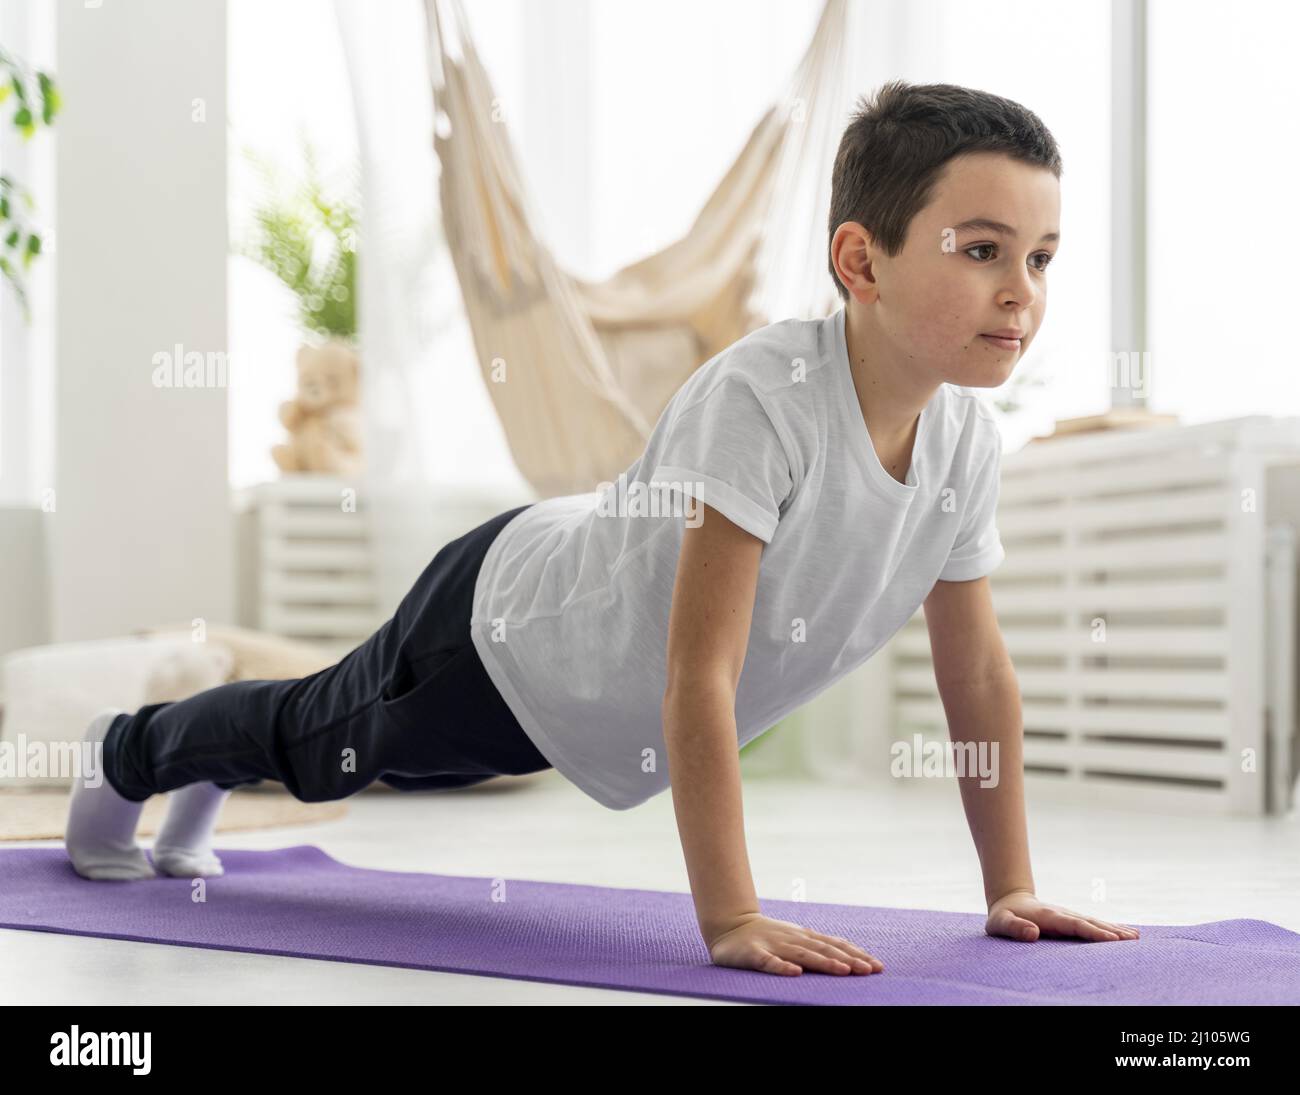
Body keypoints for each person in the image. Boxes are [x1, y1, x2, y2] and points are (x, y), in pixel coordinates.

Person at [66, 80, 1139, 976]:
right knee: (317, 746)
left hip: (572, 676)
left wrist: (1012, 889)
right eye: (983, 250)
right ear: (860, 262)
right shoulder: (763, 397)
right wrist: (728, 918)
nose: (1020, 294)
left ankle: (188, 762)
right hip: (499, 630)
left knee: (322, 744)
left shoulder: (963, 444)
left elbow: (979, 678)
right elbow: (697, 673)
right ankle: (127, 755)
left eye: (1040, 259)